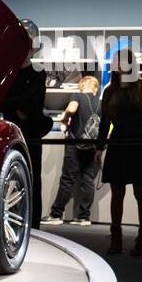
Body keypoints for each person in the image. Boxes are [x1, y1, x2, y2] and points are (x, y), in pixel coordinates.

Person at [95, 49, 142, 256]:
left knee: (141, 194)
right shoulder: (109, 91)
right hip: (117, 144)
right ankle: (116, 239)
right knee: (117, 193)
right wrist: (99, 147)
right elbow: (105, 122)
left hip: (140, 143)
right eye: (115, 61)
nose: (117, 64)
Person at [0, 20, 53, 231]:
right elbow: (1, 101)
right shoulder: (9, 73)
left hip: (29, 136)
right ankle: (14, 225)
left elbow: (32, 105)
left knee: (32, 181)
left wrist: (16, 107)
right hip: (11, 135)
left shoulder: (37, 74)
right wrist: (18, 109)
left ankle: (34, 227)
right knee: (9, 181)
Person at [45, 76, 102, 227]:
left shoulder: (77, 96)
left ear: (81, 86)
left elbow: (71, 109)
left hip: (75, 144)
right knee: (88, 180)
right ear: (95, 88)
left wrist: (64, 118)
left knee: (67, 180)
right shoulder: (100, 102)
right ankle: (83, 217)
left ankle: (56, 215)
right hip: (93, 146)